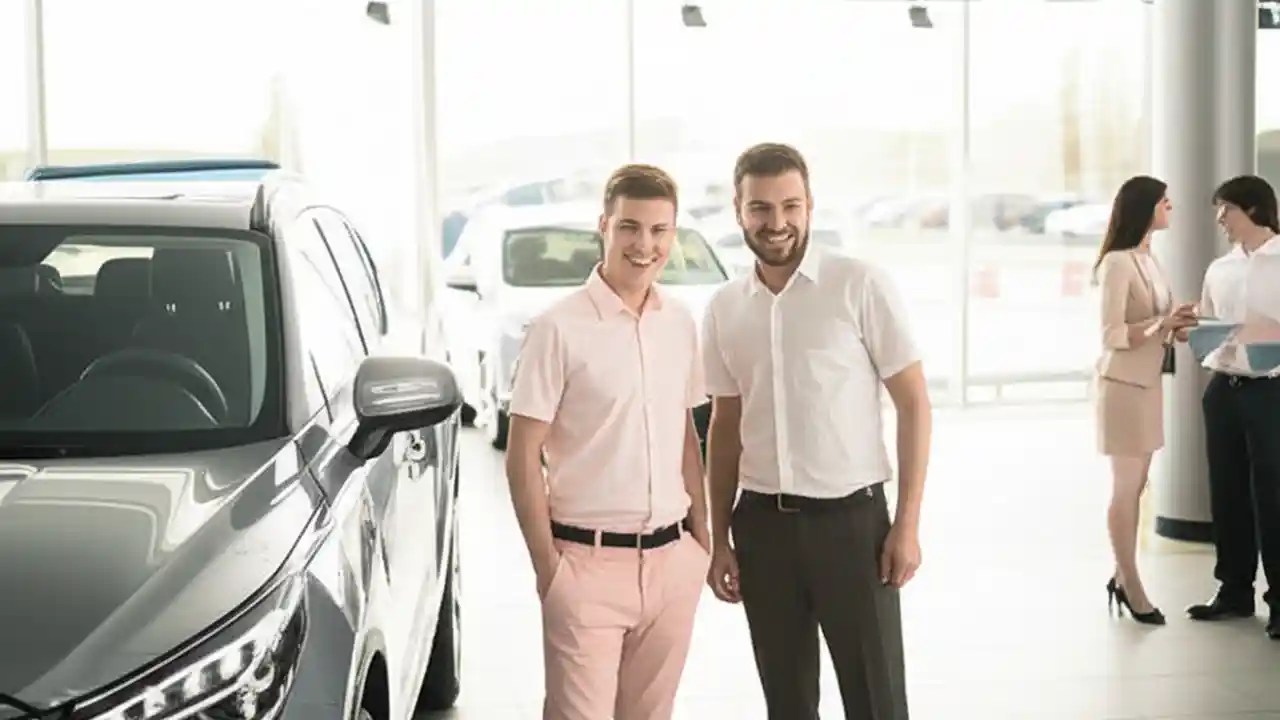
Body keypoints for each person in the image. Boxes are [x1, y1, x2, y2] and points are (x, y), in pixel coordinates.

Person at [701, 142, 931, 719]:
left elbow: (915, 405)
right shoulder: (725, 307)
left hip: (853, 528)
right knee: (787, 702)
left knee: (876, 702)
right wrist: (719, 535)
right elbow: (725, 426)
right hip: (762, 531)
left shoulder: (859, 284)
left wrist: (906, 523)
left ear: (809, 205)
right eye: (760, 208)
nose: (776, 223)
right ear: (738, 209)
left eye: (790, 205)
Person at [504, 163, 712, 719]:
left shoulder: (680, 324)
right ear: (604, 226)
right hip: (585, 568)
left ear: (673, 234)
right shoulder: (557, 328)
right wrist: (549, 570)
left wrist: (703, 541)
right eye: (630, 227)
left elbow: (687, 437)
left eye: (659, 230)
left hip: (672, 565)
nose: (645, 244)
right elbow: (523, 453)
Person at [1091, 175, 1197, 626]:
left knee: (1137, 487)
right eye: (1164, 202)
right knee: (1125, 489)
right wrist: (1161, 324)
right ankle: (1131, 584)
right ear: (1145, 208)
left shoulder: (1149, 258)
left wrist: (1180, 324)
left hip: (1148, 384)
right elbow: (1112, 334)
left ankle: (1121, 574)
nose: (1170, 207)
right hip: (1122, 387)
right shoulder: (1117, 263)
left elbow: (1156, 323)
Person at [1187, 174, 1280, 640]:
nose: (1220, 218)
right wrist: (1199, 335)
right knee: (1227, 492)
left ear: (1254, 209)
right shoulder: (1219, 269)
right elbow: (1205, 323)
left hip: (1272, 391)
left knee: (1274, 497)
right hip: (1224, 388)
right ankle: (1234, 591)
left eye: (1226, 209)